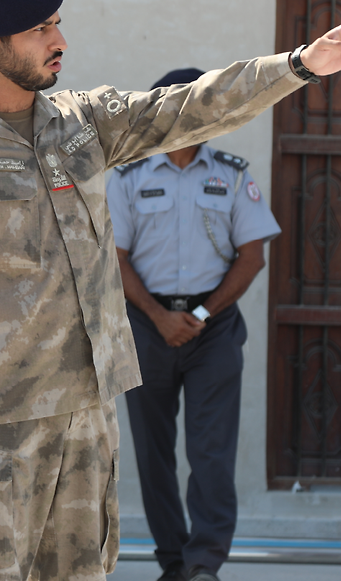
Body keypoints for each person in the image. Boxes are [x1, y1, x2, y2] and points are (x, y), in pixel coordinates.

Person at [0, 0, 341, 581]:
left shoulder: (82, 125)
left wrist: (299, 66)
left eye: (57, 24)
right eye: (40, 29)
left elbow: (190, 107)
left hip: (86, 415)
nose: (60, 41)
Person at [104, 67, 281, 581]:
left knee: (210, 453)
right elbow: (114, 259)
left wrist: (200, 316)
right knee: (153, 456)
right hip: (146, 325)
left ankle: (204, 562)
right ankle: (173, 562)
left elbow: (251, 257)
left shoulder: (231, 173)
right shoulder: (130, 176)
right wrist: (160, 317)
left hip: (214, 328)